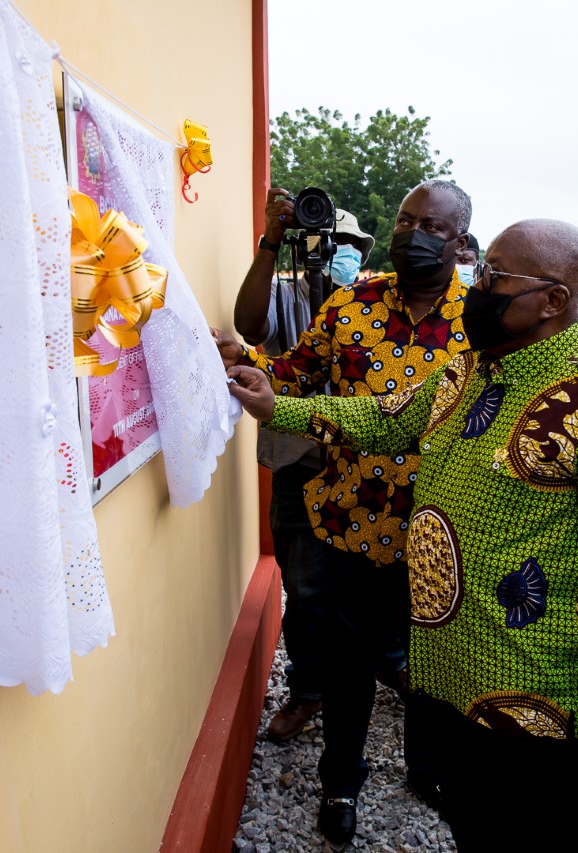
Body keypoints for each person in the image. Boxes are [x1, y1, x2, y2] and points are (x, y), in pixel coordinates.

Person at [227, 218, 578, 852]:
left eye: (496, 277)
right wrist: (278, 405)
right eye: (483, 272)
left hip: (539, 705)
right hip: (446, 679)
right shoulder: (467, 373)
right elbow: (383, 418)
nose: (479, 288)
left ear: (554, 300)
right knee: (475, 832)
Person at [216, 179, 472, 845]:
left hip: (441, 530)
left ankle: (428, 769)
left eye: (433, 227)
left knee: (432, 663)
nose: (415, 235)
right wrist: (249, 364)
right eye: (407, 221)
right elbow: (294, 374)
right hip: (349, 519)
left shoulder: (482, 320)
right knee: (347, 663)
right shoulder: (352, 301)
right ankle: (340, 781)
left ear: (460, 241)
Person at [231, 190, 376, 742]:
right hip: (300, 463)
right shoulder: (287, 292)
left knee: (369, 585)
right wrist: (270, 243)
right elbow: (250, 326)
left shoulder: (375, 310)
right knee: (305, 589)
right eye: (323, 240)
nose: (333, 251)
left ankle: (381, 669)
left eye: (346, 245)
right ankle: (308, 690)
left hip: (365, 469)